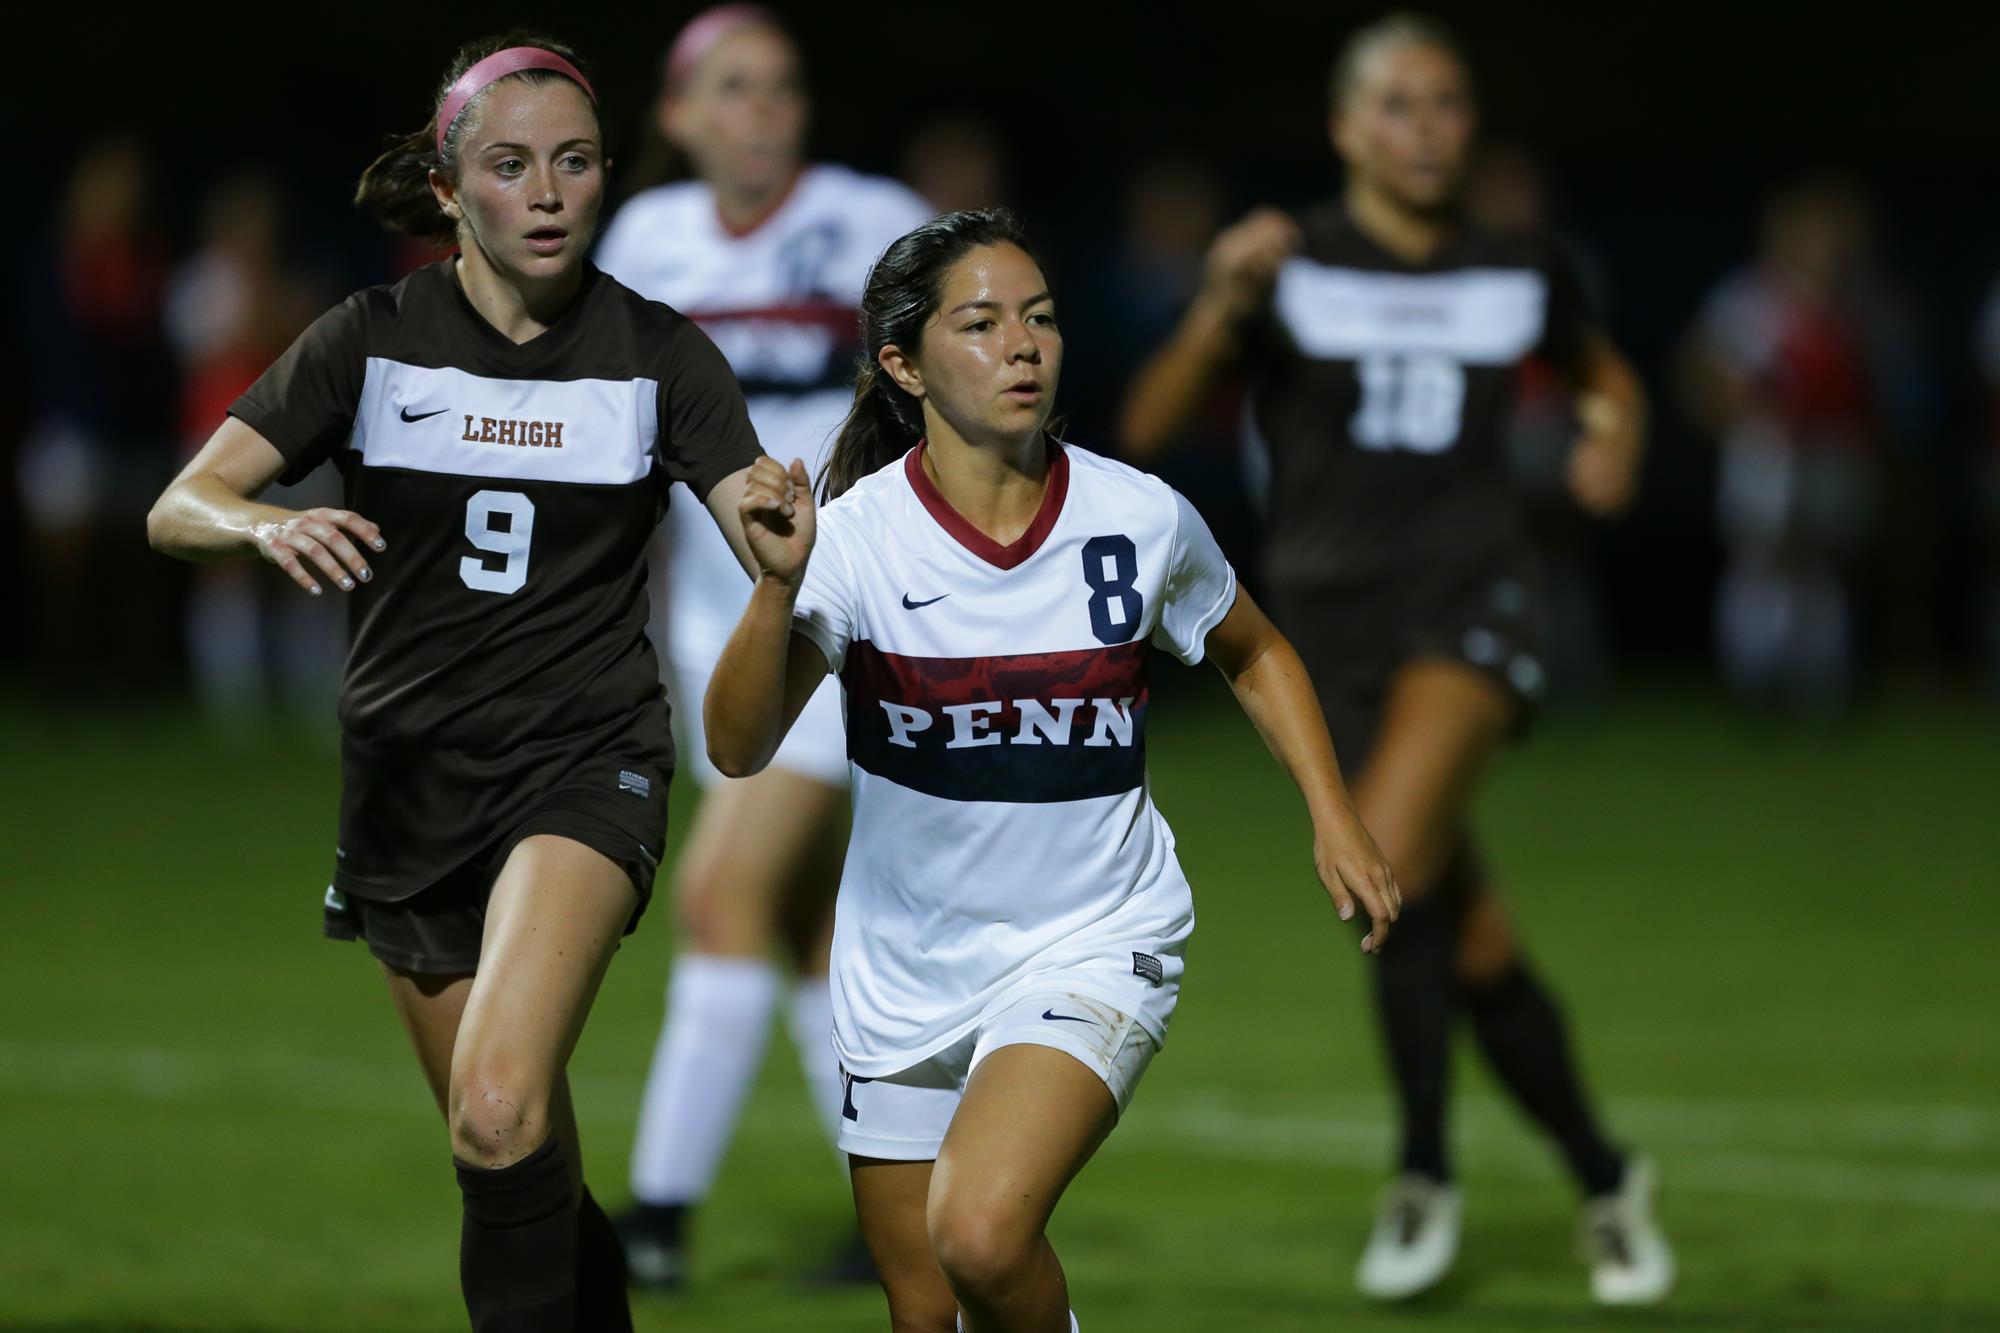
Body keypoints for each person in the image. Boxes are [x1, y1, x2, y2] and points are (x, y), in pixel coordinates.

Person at [145, 31, 767, 1330]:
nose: (547, 194)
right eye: (510, 166)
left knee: (496, 1109)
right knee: (517, 1150)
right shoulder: (368, 340)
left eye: (576, 163)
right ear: (448, 189)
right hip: (407, 783)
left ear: (607, 175)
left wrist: (781, 535)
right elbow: (181, 504)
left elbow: (759, 527)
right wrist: (263, 524)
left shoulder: (659, 354)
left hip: (582, 762)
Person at [706, 207, 1400, 1333]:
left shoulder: (1135, 517)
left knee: (980, 1233)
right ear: (902, 365)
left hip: (1091, 937)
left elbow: (1253, 648)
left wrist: (1335, 814)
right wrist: (776, 586)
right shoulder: (856, 538)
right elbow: (735, 747)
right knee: (927, 1309)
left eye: (1037, 318)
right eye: (979, 323)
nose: (1022, 345)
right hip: (901, 971)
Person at [1120, 12, 1672, 1307]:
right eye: (1399, 105)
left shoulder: (1518, 264)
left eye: (1446, 104)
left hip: (1472, 610)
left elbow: (1614, 384)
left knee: (1393, 860)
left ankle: (1422, 1167)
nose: (1426, 128)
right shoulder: (1293, 263)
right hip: (1324, 630)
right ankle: (1604, 1173)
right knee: (1464, 934)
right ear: (1347, 126)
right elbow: (1144, 429)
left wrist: (1616, 443)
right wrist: (1219, 304)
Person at [590, 4, 934, 1287]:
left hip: (841, 617)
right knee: (802, 927)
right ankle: (905, 1209)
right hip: (706, 627)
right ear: (677, 117)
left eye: (781, 87)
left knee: (718, 896)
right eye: (731, 90)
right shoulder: (647, 239)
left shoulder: (872, 220)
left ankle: (657, 1223)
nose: (763, 112)